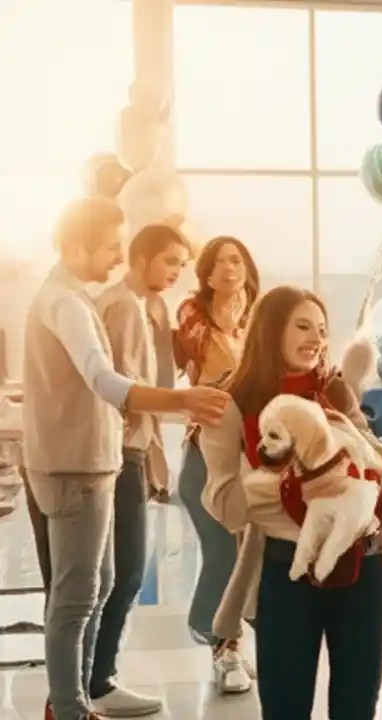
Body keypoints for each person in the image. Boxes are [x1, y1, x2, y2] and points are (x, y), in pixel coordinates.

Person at [22, 197, 229, 720]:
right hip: (75, 468)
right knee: (75, 596)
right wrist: (183, 400)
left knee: (103, 584)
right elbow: (104, 380)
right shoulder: (67, 303)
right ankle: (69, 708)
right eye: (112, 245)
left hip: (94, 462)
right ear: (74, 246)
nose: (119, 254)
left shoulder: (72, 297)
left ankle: (81, 697)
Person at [199, 286, 382, 720]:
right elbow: (227, 506)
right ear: (270, 330)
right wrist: (289, 489)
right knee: (285, 708)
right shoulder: (232, 404)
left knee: (356, 708)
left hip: (363, 563)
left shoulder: (334, 392)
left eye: (322, 329)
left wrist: (350, 455)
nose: (316, 337)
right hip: (286, 568)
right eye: (303, 326)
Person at [88, 223, 192, 717]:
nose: (175, 272)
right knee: (124, 571)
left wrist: (155, 451)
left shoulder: (152, 307)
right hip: (115, 450)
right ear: (142, 256)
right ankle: (97, 681)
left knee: (121, 571)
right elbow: (123, 389)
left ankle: (96, 677)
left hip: (132, 447)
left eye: (180, 265)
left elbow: (152, 386)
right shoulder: (123, 306)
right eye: (170, 261)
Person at [171, 235, 258, 693]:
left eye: (237, 259)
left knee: (246, 554)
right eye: (221, 261)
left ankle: (227, 640)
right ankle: (221, 642)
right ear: (205, 274)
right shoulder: (195, 315)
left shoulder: (255, 323)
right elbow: (205, 355)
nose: (231, 267)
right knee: (223, 552)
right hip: (203, 455)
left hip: (247, 456)